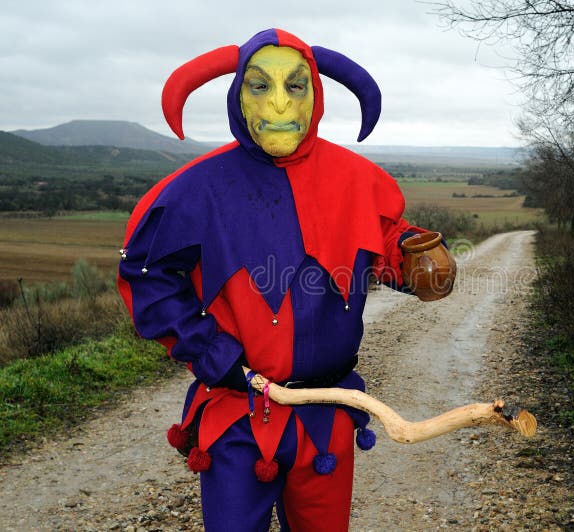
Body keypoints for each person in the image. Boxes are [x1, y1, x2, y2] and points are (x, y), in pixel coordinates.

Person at [118, 28, 454, 531]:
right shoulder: (194, 189)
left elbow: (382, 239)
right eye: (259, 86)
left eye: (295, 86)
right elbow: (150, 277)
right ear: (238, 96)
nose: (278, 102)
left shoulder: (356, 180)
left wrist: (413, 256)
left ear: (315, 96)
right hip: (237, 414)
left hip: (328, 412)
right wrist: (214, 356)